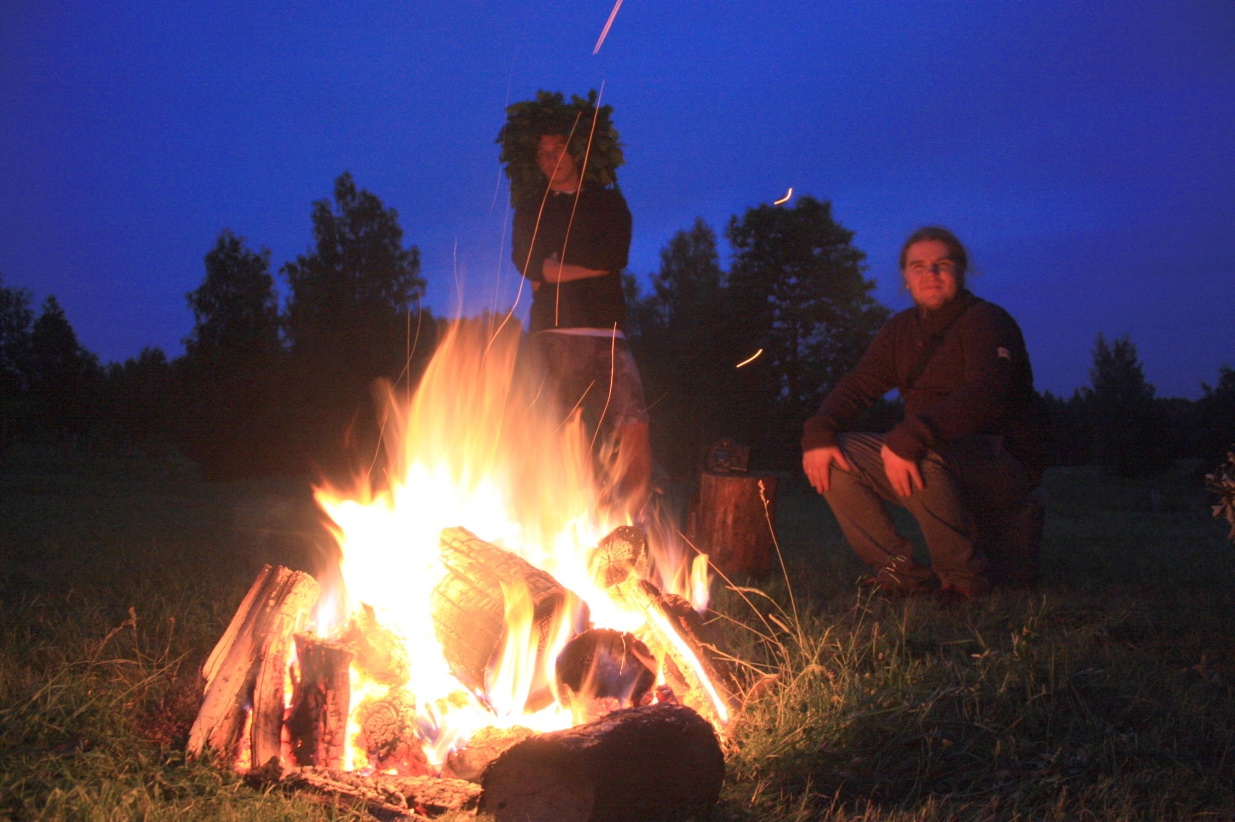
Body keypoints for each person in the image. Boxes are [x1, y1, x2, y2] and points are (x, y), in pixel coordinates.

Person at [801, 226, 1045, 603]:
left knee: (926, 456)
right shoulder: (900, 330)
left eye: (941, 264)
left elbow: (987, 392)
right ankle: (901, 572)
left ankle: (964, 579)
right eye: (918, 266)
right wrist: (818, 432)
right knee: (834, 456)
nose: (930, 274)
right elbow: (859, 385)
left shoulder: (987, 321)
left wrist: (912, 436)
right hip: (929, 448)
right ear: (905, 278)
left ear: (960, 271)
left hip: (1000, 458)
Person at [510, 130, 652, 511]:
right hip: (552, 331)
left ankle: (635, 517)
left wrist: (556, 269)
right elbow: (528, 263)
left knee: (633, 422)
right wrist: (587, 267)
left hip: (608, 331)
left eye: (557, 149)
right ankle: (550, 515)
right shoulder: (531, 210)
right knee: (553, 426)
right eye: (542, 152)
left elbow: (614, 256)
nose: (549, 158)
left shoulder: (607, 203)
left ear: (578, 155)